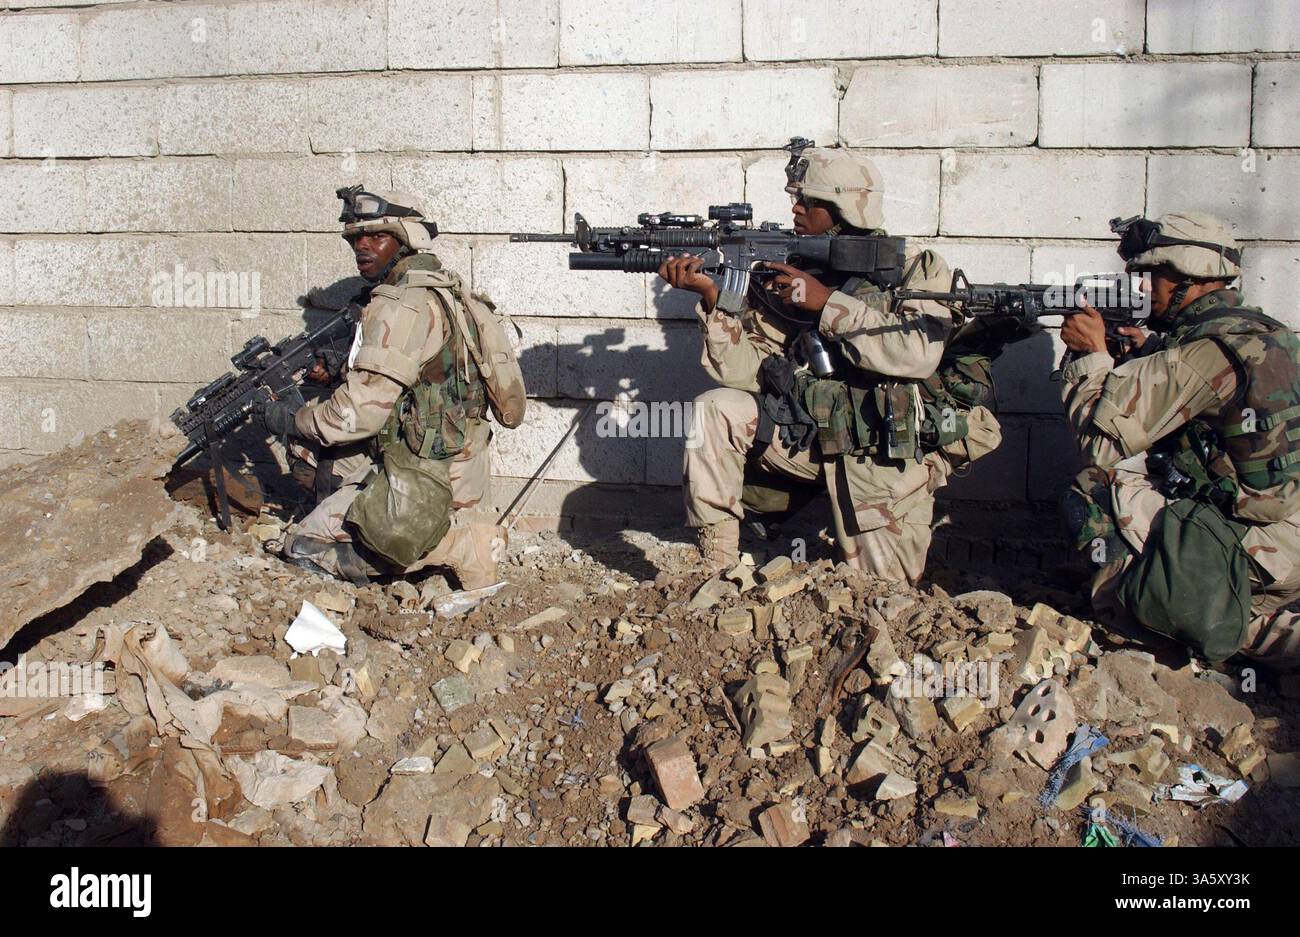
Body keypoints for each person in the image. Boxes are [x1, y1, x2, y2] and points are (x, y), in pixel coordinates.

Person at [660, 140, 1002, 583]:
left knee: (883, 594)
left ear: (845, 208)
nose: (796, 209)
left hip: (885, 451)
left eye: (809, 201)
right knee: (716, 407)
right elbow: (746, 372)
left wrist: (826, 305)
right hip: (809, 436)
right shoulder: (793, 270)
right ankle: (719, 567)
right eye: (795, 199)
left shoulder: (916, 270)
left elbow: (917, 355)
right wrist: (715, 302)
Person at [1060, 211, 1300, 662]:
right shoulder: (1265, 331)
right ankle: (1233, 598)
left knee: (1093, 489)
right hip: (1285, 529)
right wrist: (1151, 353)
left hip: (1261, 545)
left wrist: (1088, 356)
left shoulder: (1200, 352)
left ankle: (1152, 621)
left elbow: (1099, 439)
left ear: (1190, 277)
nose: (1144, 288)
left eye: (1153, 276)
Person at [256, 186, 504, 588]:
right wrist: (339, 370)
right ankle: (435, 527)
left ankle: (460, 542)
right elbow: (428, 374)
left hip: (426, 472)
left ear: (404, 241)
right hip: (458, 458)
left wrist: (290, 419)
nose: (363, 246)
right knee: (315, 458)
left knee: (303, 544)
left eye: (377, 236)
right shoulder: (445, 289)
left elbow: (353, 418)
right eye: (356, 238)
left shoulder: (400, 304)